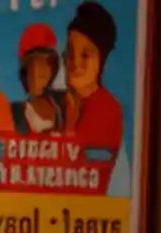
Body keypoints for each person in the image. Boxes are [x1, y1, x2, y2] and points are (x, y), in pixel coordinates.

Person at [63, 1, 124, 189]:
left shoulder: (108, 110)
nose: (76, 64)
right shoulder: (59, 103)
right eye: (70, 54)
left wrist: (70, 129)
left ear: (101, 60)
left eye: (85, 55)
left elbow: (87, 176)